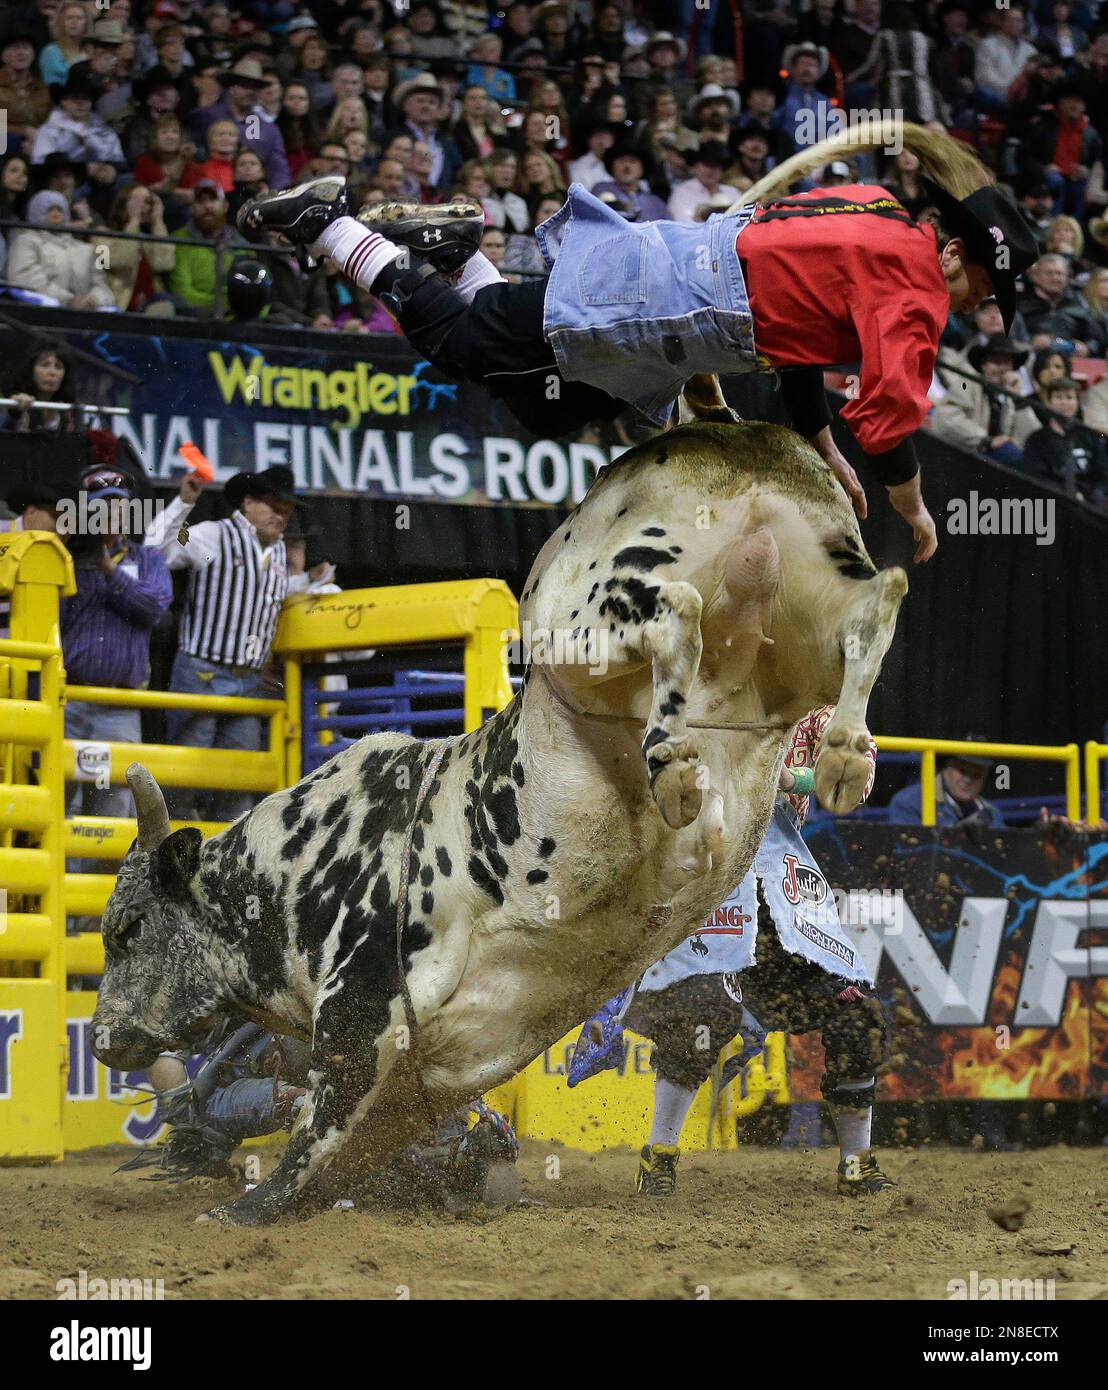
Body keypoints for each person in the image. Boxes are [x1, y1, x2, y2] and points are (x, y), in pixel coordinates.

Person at [238, 120, 1039, 562]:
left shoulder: (870, 209)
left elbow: (804, 338)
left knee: (545, 411)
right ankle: (330, 225)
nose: (974, 310)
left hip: (664, 291)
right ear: (954, 252)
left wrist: (821, 444)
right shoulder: (916, 286)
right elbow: (890, 420)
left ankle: (462, 257)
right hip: (654, 309)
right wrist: (916, 511)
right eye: (982, 290)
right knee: (466, 346)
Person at [570, 707, 893, 1199]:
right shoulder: (686, 694)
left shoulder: (812, 708)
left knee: (858, 1012)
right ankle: (659, 1154)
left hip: (779, 900)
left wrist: (792, 777)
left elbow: (856, 780)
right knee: (702, 1013)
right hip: (702, 876)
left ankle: (857, 1162)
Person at [129, 1022, 520, 1213]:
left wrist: (185, 1120)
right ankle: (456, 1147)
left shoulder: (218, 966)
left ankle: (419, 1156)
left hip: (288, 1062)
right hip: (345, 1042)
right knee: (410, 1081)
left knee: (317, 1111)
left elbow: (160, 1048)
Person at [142, 465, 311, 823]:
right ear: (248, 503)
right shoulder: (211, 537)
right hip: (202, 671)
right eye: (272, 505)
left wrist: (313, 583)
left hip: (248, 682)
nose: (280, 514)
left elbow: (272, 593)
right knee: (186, 776)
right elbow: (157, 551)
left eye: (286, 509)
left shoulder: (279, 554)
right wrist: (184, 504)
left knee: (239, 781)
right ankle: (170, 859)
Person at [58, 462, 173, 858]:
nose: (111, 513)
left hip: (121, 706)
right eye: (101, 507)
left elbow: (154, 607)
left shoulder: (149, 559)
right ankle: (61, 916)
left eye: (119, 506)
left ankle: (96, 915)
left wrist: (109, 569)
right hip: (68, 700)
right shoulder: (66, 560)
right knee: (57, 805)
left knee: (114, 812)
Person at [6, 188, 116, 310]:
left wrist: (94, 299)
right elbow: (27, 278)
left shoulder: (86, 249)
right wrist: (68, 300)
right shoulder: (26, 241)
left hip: (86, 313)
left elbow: (101, 284)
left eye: (60, 209)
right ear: (36, 213)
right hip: (41, 313)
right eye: (49, 210)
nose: (56, 214)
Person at [931, 333, 1030, 467]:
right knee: (1010, 453)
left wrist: (1018, 400)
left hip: (992, 461)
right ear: (983, 365)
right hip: (963, 456)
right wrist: (986, 440)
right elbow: (946, 418)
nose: (1001, 369)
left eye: (1006, 363)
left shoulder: (1009, 397)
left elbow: (1031, 437)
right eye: (996, 361)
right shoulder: (966, 384)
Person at [1021, 375, 1108, 508]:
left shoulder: (1090, 436)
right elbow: (1037, 478)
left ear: (1077, 402)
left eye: (1069, 398)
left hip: (1092, 506)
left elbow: (1102, 475)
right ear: (1049, 402)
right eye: (1058, 397)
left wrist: (1092, 496)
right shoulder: (1036, 440)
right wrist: (1069, 494)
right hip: (1054, 505)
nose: (1064, 403)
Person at [886, 737, 1007, 827]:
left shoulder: (992, 814)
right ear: (945, 767)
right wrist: (956, 836)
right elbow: (908, 854)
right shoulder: (909, 802)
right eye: (962, 770)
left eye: (977, 775)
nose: (968, 779)